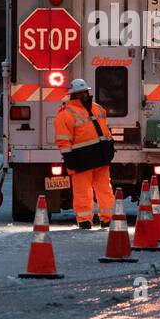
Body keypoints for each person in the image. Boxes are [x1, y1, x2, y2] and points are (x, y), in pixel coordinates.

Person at [53, 78, 115, 229]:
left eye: (84, 92)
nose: (83, 95)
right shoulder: (65, 114)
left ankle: (106, 218)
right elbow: (63, 140)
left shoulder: (97, 109)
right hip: (82, 159)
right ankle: (85, 220)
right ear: (73, 95)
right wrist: (69, 159)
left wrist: (109, 146)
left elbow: (105, 131)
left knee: (104, 189)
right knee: (84, 191)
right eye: (80, 93)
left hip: (99, 157)